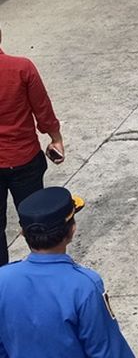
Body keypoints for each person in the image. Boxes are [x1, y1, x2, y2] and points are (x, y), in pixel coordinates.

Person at [0, 187, 134, 357]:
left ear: (22, 233)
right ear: (72, 230)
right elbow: (108, 351)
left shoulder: (3, 279)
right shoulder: (84, 285)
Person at [0, 27, 64, 267]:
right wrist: (56, 138)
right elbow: (42, 109)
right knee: (35, 221)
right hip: (24, 158)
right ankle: (41, 268)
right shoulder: (21, 67)